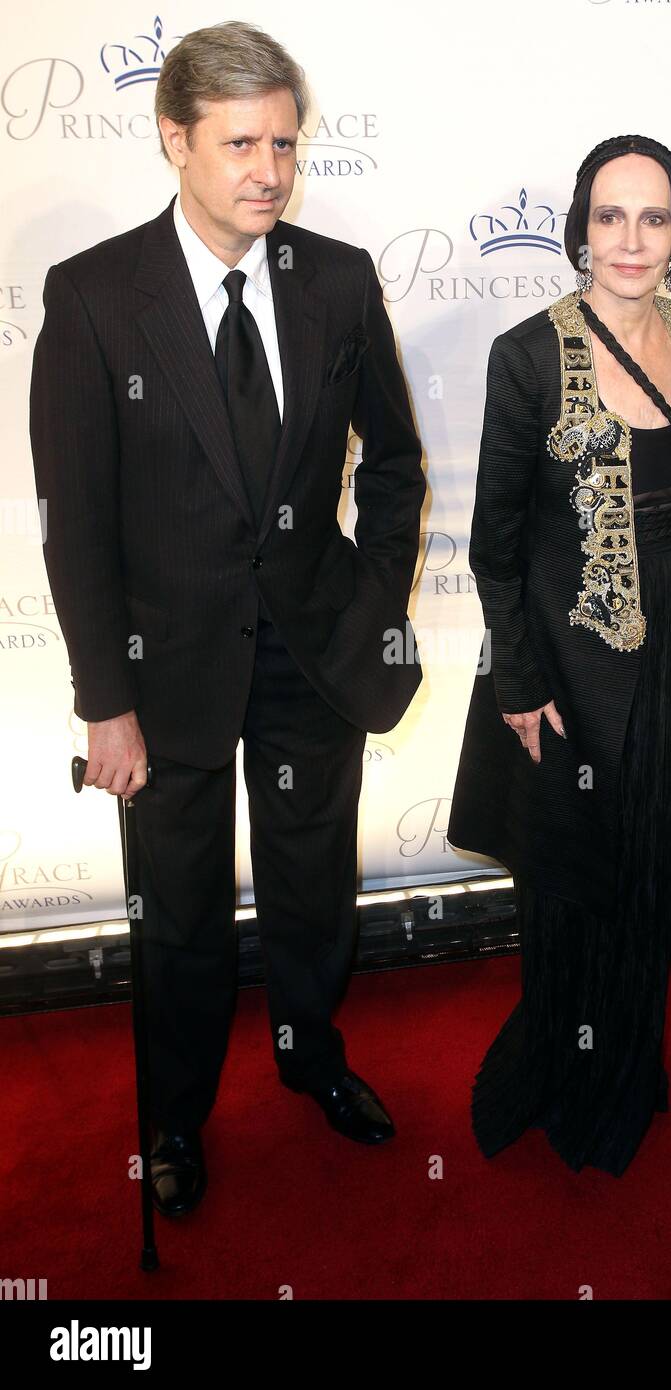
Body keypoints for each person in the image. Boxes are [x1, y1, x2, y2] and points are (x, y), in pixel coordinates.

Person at [29, 21, 425, 1216]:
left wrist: (371, 602)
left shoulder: (338, 278)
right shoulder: (96, 297)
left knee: (315, 890)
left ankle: (312, 1059)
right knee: (182, 917)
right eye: (241, 142)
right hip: (167, 674)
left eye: (285, 145)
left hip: (312, 655)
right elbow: (75, 520)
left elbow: (396, 462)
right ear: (175, 142)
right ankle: (173, 1121)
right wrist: (107, 700)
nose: (269, 169)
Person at [447, 133, 671, 1176]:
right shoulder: (524, 355)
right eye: (611, 215)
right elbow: (494, 544)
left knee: (651, 870)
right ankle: (561, 1068)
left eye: (653, 217)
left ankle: (624, 1072)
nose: (632, 240)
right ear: (579, 228)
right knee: (569, 884)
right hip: (567, 667)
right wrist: (517, 680)